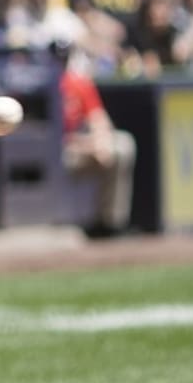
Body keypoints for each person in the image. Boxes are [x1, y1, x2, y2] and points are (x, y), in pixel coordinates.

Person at [57, 42, 136, 238]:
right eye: (58, 57)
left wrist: (101, 143)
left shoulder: (78, 83)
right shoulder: (41, 85)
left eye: (65, 56)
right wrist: (89, 145)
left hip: (83, 148)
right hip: (61, 153)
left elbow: (100, 120)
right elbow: (52, 139)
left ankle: (110, 223)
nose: (61, 62)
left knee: (123, 145)